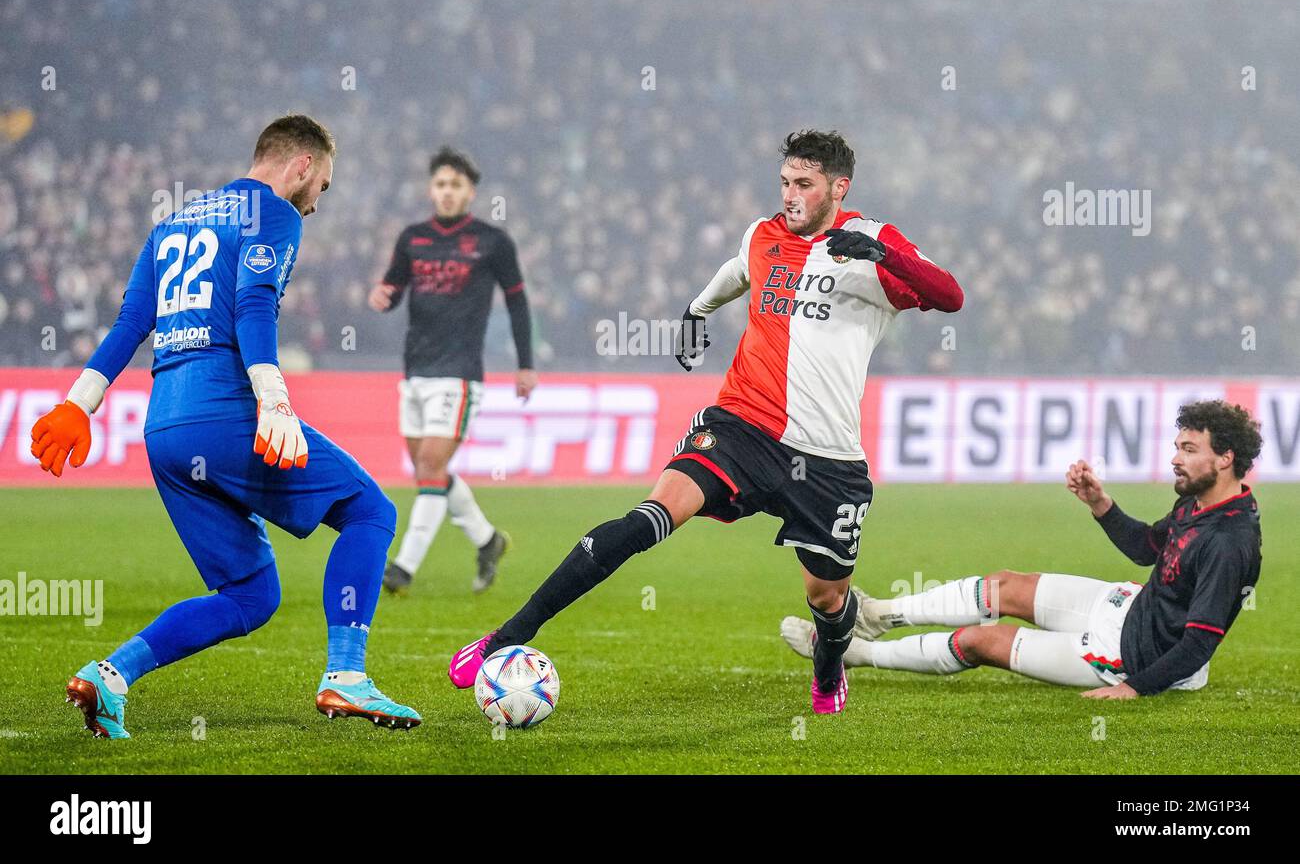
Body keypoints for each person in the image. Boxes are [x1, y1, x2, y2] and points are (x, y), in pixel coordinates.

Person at [446, 129, 963, 713]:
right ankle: (507, 636)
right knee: (650, 516)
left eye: (804, 185)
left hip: (828, 459)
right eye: (785, 183)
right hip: (742, 426)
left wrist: (887, 257)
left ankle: (828, 666)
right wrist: (699, 307)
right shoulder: (764, 235)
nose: (790, 196)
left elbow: (950, 296)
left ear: (838, 188)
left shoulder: (873, 242)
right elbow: (738, 269)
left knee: (826, 594)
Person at [31, 115, 421, 737]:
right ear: (300, 165)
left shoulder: (170, 224)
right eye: (323, 183)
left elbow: (132, 324)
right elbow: (254, 303)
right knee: (368, 510)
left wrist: (79, 404)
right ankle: (347, 676)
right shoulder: (273, 213)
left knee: (250, 594)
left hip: (164, 429)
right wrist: (275, 401)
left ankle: (110, 676)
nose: (319, 200)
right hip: (224, 411)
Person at [780, 400, 1263, 698]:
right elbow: (1146, 549)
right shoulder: (1198, 505)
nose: (1176, 459)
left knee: (978, 640)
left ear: (1226, 458)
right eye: (1177, 446)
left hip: (1130, 654)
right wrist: (1100, 503)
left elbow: (1200, 641)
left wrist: (1134, 687)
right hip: (1128, 606)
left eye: (1190, 449)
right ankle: (878, 613)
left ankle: (851, 652)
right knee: (1004, 585)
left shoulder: (1229, 542)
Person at [368, 146, 536, 595]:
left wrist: (525, 364)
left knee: (429, 465)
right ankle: (488, 541)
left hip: (459, 372)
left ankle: (402, 569)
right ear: (431, 188)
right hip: (416, 369)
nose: (446, 192)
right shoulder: (412, 238)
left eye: (455, 185)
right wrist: (384, 296)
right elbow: (395, 288)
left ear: (470, 192)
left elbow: (517, 301)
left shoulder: (492, 242)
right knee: (430, 471)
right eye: (440, 184)